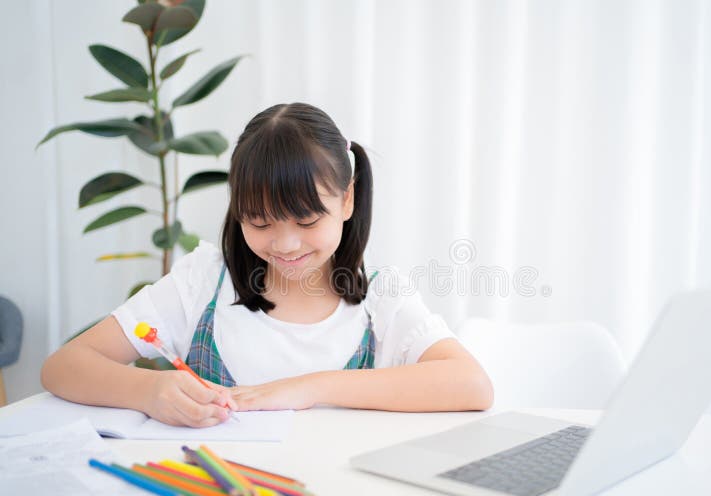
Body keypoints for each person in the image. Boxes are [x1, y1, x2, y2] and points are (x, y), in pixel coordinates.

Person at [41, 102, 493, 428]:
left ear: (347, 199)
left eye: (306, 220)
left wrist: (308, 387)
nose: (286, 244)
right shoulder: (204, 281)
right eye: (259, 222)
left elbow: (472, 384)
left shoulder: (380, 296)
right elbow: (63, 366)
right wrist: (149, 391)